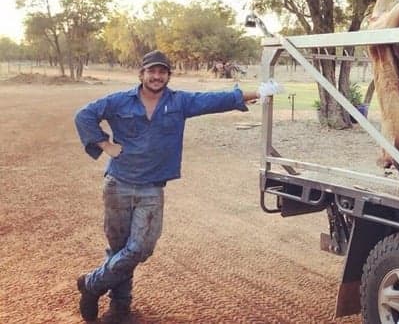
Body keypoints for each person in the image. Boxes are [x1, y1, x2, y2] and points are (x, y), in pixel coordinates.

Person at [73, 50, 276, 321]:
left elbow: (217, 100)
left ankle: (91, 284)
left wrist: (260, 91)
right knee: (119, 247)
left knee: (141, 248)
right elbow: (84, 115)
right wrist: (105, 145)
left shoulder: (179, 102)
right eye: (152, 71)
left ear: (168, 75)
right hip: (118, 184)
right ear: (142, 74)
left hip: (151, 188)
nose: (157, 77)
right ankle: (119, 309)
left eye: (162, 72)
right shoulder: (119, 101)